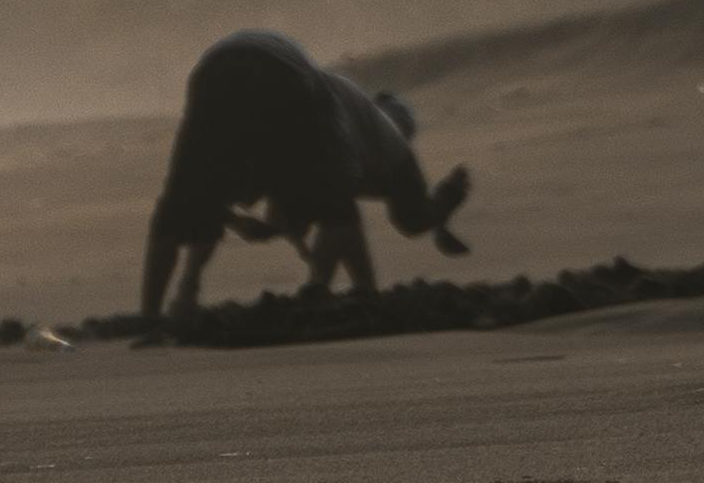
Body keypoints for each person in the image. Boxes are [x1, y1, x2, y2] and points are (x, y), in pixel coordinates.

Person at [135, 29, 474, 324]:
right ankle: (343, 287)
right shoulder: (339, 123)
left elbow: (316, 208)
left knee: (411, 219)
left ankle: (160, 311)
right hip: (272, 76)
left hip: (218, 71)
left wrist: (273, 233)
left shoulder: (354, 126)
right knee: (374, 212)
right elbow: (326, 212)